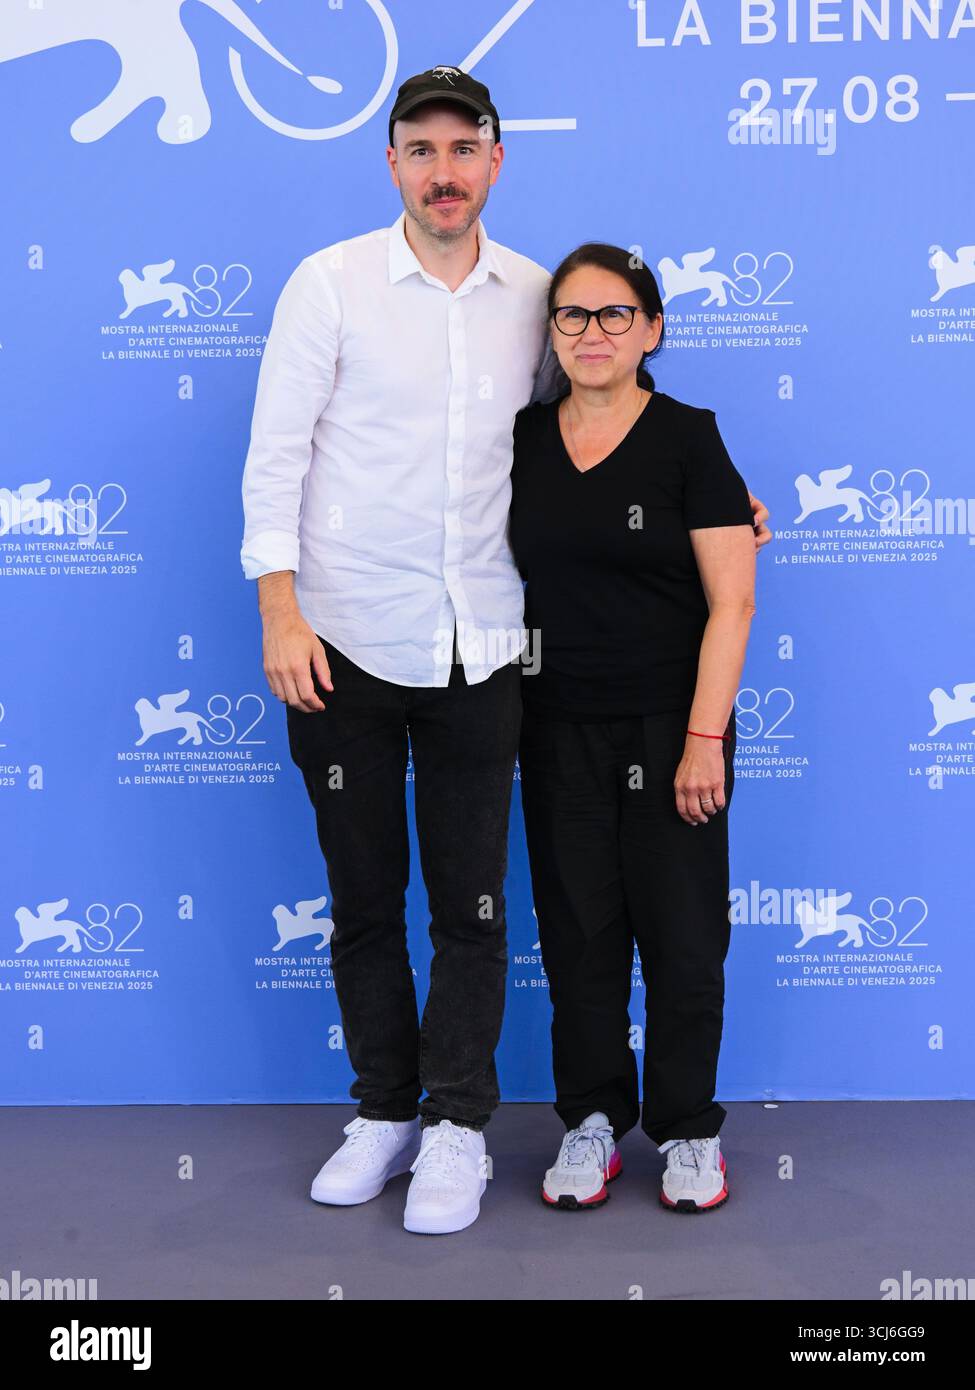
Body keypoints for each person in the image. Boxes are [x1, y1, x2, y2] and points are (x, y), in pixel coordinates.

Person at [240, 68, 772, 1236]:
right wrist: (280, 610)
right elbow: (275, 459)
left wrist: (717, 502)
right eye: (419, 149)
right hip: (339, 643)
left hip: (485, 654)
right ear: (391, 163)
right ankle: (383, 1111)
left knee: (473, 910)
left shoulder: (533, 296)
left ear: (495, 162)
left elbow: (599, 415)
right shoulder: (326, 286)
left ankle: (457, 1130)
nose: (443, 171)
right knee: (364, 900)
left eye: (464, 148)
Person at [509, 243, 757, 1214]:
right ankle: (592, 1121)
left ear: (653, 329)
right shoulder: (522, 439)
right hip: (555, 724)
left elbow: (731, 603)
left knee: (685, 938)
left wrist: (704, 738)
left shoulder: (690, 438)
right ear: (551, 333)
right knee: (579, 936)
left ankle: (690, 1130)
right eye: (572, 315)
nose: (593, 333)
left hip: (673, 730)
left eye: (616, 315)